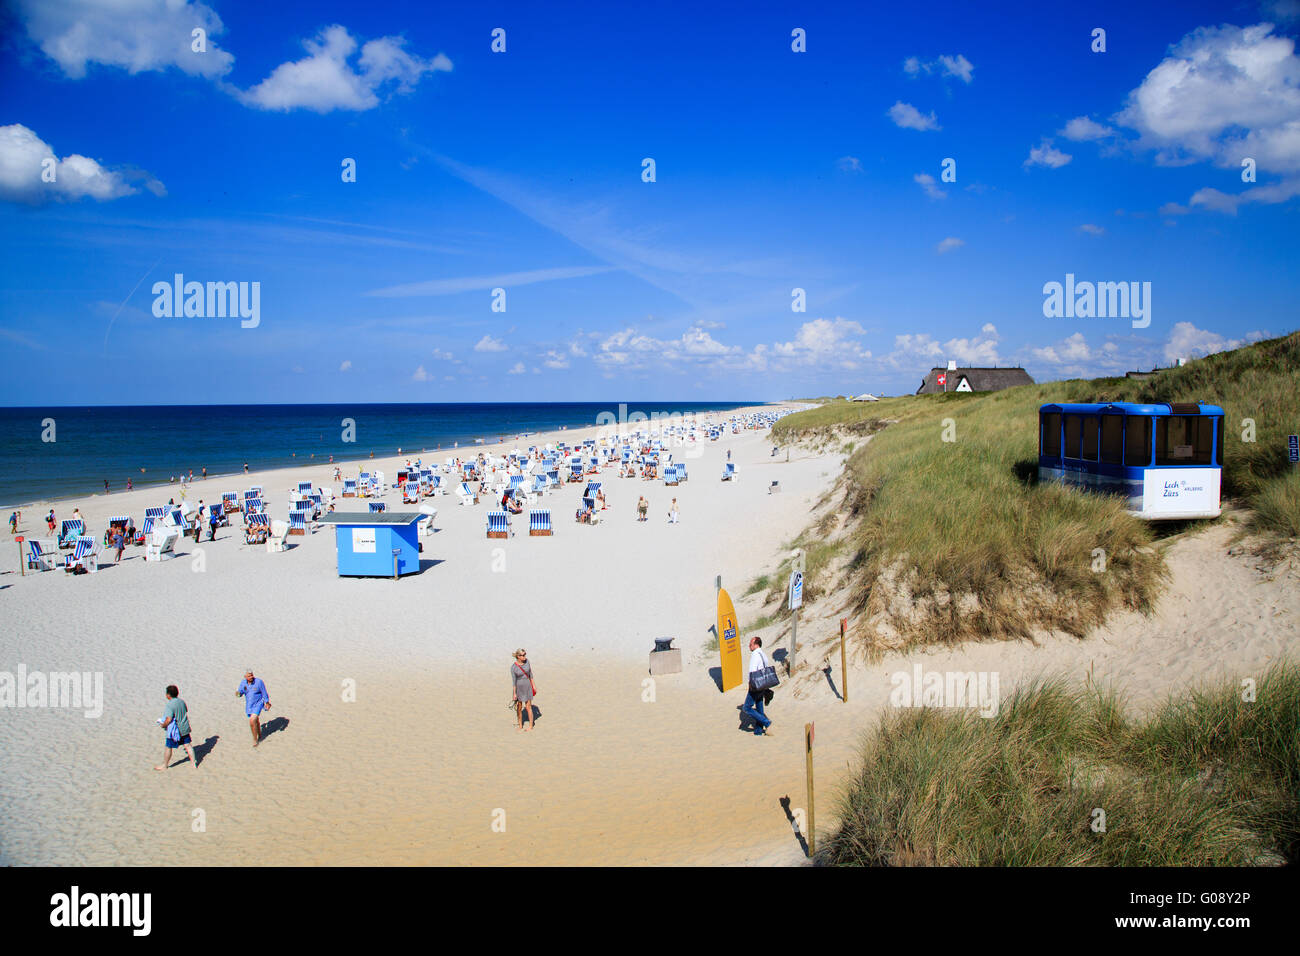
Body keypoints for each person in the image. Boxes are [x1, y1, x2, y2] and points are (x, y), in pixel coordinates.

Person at [155, 684, 198, 770]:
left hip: (175, 731)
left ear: (168, 695)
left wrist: (163, 725)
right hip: (184, 727)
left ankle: (165, 765)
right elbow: (186, 710)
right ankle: (193, 763)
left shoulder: (170, 705)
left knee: (168, 747)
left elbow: (168, 719)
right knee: (188, 745)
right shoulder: (181, 701)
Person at [740, 636, 773, 736]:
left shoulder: (755, 654)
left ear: (756, 644)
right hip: (763, 684)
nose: (749, 646)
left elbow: (752, 671)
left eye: (751, 644)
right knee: (759, 706)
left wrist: (750, 685)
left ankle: (767, 722)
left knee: (747, 707)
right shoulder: (763, 654)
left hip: (756, 684)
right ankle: (758, 730)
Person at [236, 670, 272, 747]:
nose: (251, 677)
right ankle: (260, 734)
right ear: (245, 677)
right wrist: (238, 694)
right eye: (249, 676)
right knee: (255, 721)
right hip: (249, 706)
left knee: (252, 720)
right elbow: (240, 692)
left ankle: (255, 739)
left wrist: (267, 702)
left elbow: (264, 693)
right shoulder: (243, 683)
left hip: (259, 703)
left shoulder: (259, 682)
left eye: (252, 675)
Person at [511, 649, 537, 732]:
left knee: (528, 706)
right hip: (519, 688)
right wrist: (514, 694)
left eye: (525, 654)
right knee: (519, 707)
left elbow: (530, 674)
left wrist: (534, 685)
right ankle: (520, 725)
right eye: (523, 655)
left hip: (528, 686)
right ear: (518, 656)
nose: (525, 657)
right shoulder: (513, 667)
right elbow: (514, 682)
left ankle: (530, 726)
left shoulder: (527, 662)